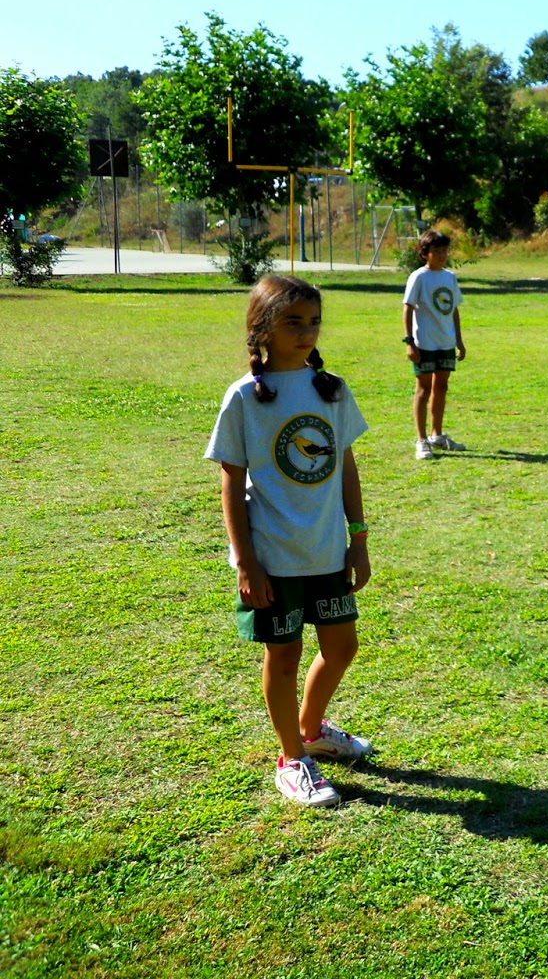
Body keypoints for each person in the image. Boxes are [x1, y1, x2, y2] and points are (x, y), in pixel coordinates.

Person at [204, 275, 373, 808]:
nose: (306, 332)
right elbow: (231, 480)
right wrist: (245, 561)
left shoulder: (333, 389)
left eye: (314, 321)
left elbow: (345, 464)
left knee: (342, 647)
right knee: (285, 655)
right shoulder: (246, 397)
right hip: (273, 555)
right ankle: (290, 757)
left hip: (325, 550)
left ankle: (311, 729)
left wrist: (359, 536)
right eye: (293, 321)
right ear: (263, 328)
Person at [403, 229, 467, 460]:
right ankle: (421, 441)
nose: (442, 255)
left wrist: (458, 339)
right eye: (436, 251)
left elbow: (454, 309)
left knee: (441, 386)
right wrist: (410, 341)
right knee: (423, 388)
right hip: (425, 343)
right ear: (424, 254)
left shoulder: (449, 277)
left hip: (445, 341)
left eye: (444, 251)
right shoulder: (419, 277)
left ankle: (436, 435)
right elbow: (407, 308)